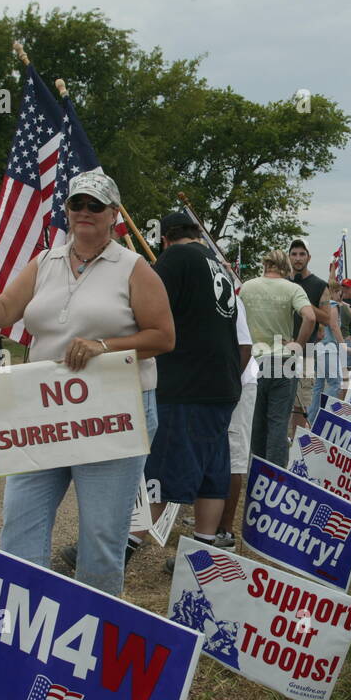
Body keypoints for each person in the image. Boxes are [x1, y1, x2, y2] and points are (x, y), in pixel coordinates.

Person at [0, 168, 174, 596]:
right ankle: (19, 625)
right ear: (67, 210)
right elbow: (1, 315)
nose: (85, 212)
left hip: (112, 411)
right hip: (44, 410)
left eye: (95, 205)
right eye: (77, 203)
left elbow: (164, 338)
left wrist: (103, 345)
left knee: (100, 536)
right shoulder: (44, 261)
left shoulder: (134, 268)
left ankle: (92, 631)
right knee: (19, 525)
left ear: (114, 214)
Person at [138, 210, 243, 552]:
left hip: (187, 382)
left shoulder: (177, 256)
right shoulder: (217, 264)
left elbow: (144, 303)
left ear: (165, 238)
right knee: (212, 474)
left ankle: (122, 548)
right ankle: (204, 548)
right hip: (222, 383)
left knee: (162, 471)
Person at [243, 248, 316, 467]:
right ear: (286, 267)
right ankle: (274, 472)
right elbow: (310, 317)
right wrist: (298, 345)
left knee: (256, 421)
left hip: (255, 361)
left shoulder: (247, 287)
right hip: (283, 361)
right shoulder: (292, 288)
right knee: (278, 422)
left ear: (265, 265)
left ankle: (256, 464)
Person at [214, 293, 257, 549]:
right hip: (213, 387)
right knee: (214, 456)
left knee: (233, 458)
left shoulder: (227, 296)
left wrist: (228, 390)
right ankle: (210, 520)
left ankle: (225, 531)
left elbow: (245, 347)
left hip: (237, 384)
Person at [310, 263, 351, 425]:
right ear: (336, 291)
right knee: (335, 383)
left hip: (320, 348)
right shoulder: (333, 306)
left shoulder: (325, 305)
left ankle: (313, 419)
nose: (341, 294)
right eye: (340, 291)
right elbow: (334, 326)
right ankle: (324, 418)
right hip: (329, 349)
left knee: (319, 386)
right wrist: (343, 345)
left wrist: (332, 271)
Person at [287, 239, 330, 434]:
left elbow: (327, 318)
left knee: (300, 402)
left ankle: (295, 440)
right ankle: (279, 440)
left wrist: (303, 302)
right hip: (280, 348)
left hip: (307, 351)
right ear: (289, 257)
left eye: (301, 254)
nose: (297, 258)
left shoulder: (319, 284)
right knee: (278, 398)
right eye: (294, 254)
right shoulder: (283, 282)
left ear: (309, 257)